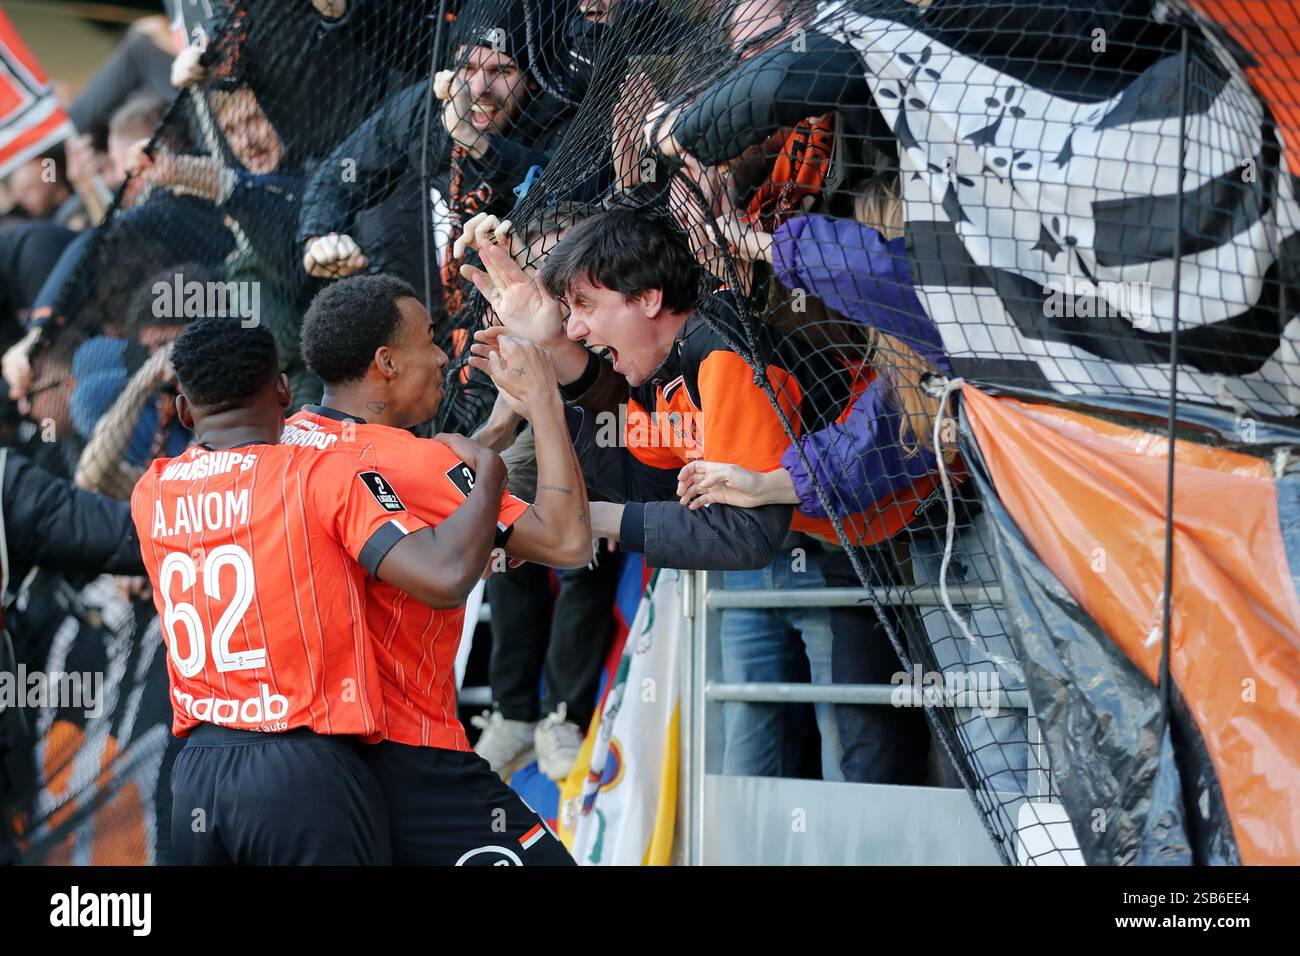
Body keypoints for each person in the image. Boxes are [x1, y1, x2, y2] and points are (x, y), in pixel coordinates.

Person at [129, 315, 511, 865]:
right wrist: (489, 471)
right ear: (284, 389)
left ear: (186, 411)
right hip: (301, 769)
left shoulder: (152, 490)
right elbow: (447, 578)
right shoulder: (318, 474)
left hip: (196, 773)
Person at [289, 273, 585, 863]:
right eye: (429, 338)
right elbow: (568, 540)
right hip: (413, 748)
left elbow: (408, 494)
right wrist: (546, 403)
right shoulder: (410, 459)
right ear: (387, 362)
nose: (444, 355)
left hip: (313, 753)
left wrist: (499, 426)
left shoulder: (292, 438)